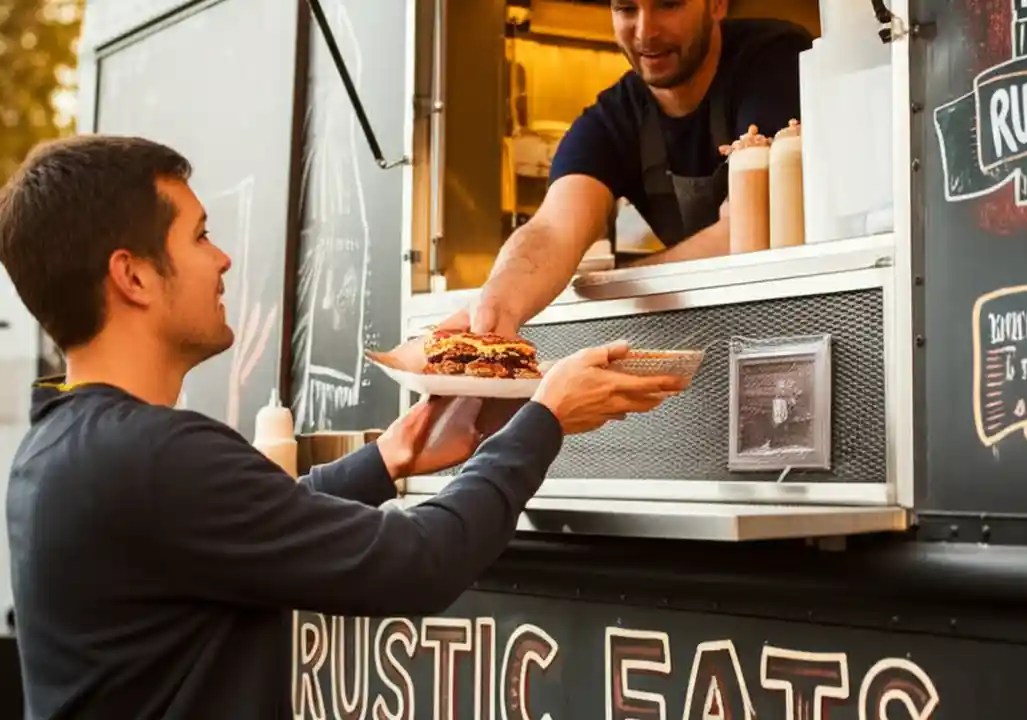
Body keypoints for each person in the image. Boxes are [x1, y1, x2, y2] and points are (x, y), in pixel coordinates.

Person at [0, 135, 686, 719]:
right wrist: (545, 417)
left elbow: (250, 522)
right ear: (133, 277)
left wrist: (388, 459)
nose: (223, 258)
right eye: (200, 235)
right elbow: (419, 562)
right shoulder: (152, 455)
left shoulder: (59, 445)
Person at [446, 0, 813, 338]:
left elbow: (749, 233)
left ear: (716, 4)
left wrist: (624, 280)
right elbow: (553, 230)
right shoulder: (612, 118)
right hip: (711, 333)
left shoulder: (775, 60)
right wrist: (498, 301)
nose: (645, 32)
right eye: (626, 8)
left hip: (800, 322)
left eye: (668, 4)